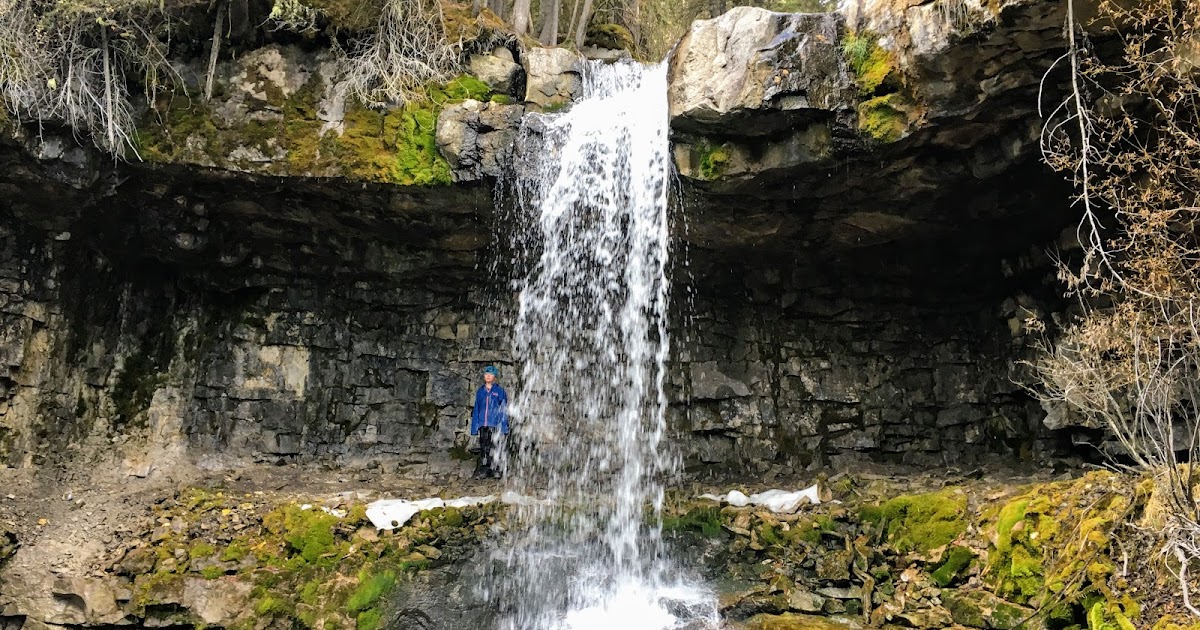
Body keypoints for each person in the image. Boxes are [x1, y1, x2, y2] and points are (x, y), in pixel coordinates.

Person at [470, 365, 508, 479]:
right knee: (484, 447)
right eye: (486, 374)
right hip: (483, 424)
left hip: (495, 424)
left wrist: (504, 426)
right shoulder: (480, 391)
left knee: (495, 446)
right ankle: (484, 470)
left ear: (494, 377)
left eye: (490, 374)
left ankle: (495, 469)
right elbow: (477, 408)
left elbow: (503, 409)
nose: (488, 376)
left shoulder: (499, 391)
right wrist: (475, 426)